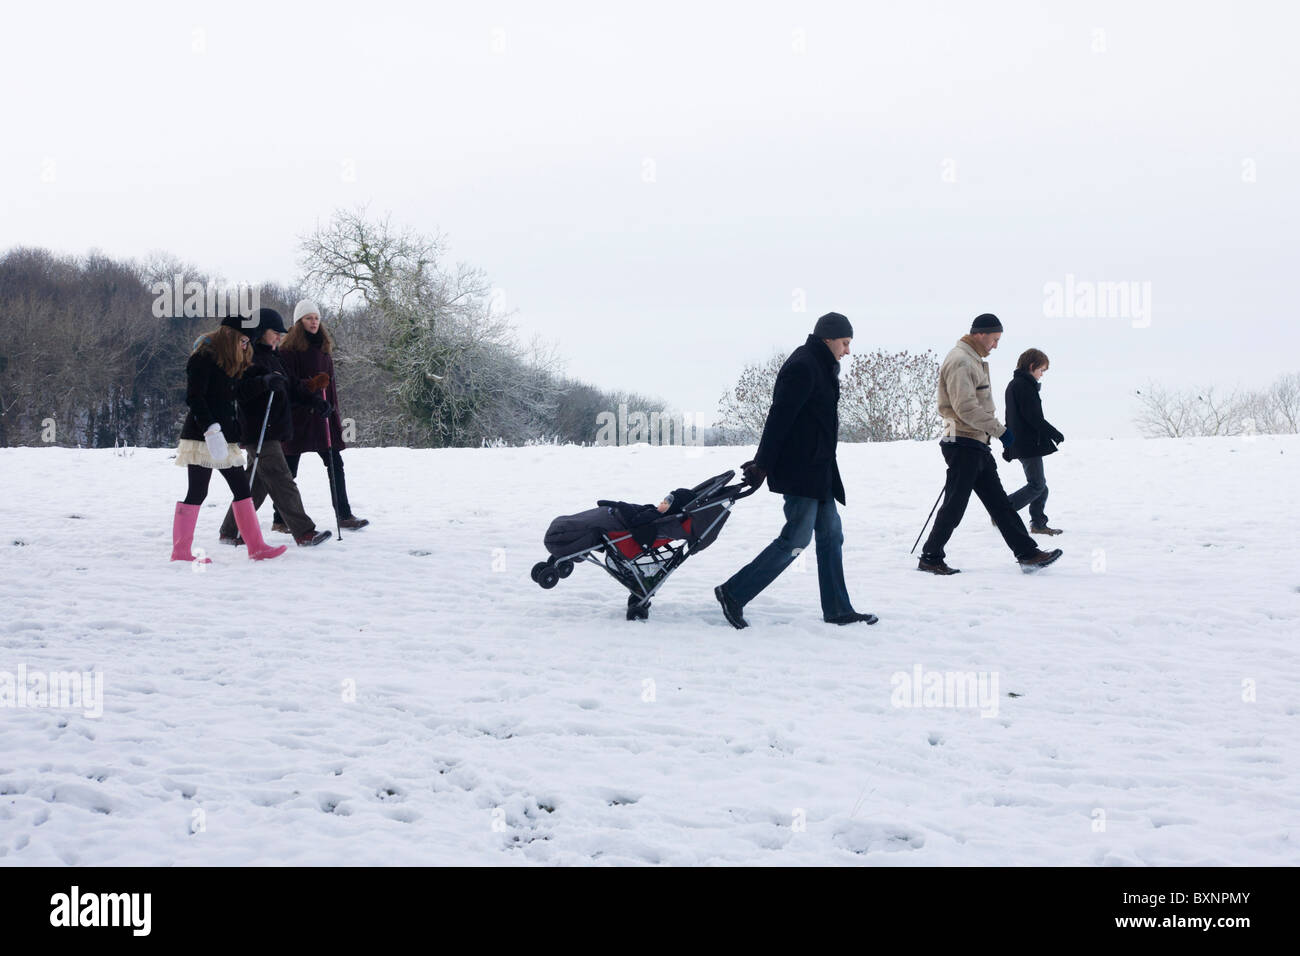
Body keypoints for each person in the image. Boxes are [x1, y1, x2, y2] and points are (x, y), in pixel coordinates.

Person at [714, 312, 878, 629]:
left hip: (820, 470)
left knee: (832, 535)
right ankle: (734, 592)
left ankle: (838, 609)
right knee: (795, 540)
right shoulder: (804, 365)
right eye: (845, 343)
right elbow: (780, 417)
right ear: (828, 338)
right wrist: (762, 463)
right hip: (801, 471)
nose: (847, 350)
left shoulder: (820, 364)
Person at [917, 313, 1062, 575]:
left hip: (973, 442)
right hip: (962, 441)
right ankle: (930, 556)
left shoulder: (972, 360)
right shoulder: (962, 361)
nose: (995, 345)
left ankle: (1027, 553)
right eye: (994, 339)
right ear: (980, 334)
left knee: (1000, 505)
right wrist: (1000, 431)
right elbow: (965, 408)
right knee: (955, 504)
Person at [169, 315, 287, 562]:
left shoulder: (231, 360)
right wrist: (211, 430)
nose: (246, 347)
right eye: (243, 341)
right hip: (203, 436)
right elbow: (195, 398)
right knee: (197, 492)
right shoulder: (204, 357)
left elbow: (238, 392)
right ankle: (180, 551)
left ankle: (256, 547)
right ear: (230, 336)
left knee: (242, 489)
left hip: (227, 435)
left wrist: (265, 382)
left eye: (248, 343)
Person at [216, 308, 334, 548]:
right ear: (261, 332)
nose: (279, 337)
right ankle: (304, 531)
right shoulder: (249, 357)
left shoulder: (275, 357)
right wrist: (263, 383)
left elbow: (292, 389)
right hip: (259, 430)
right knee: (282, 479)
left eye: (281, 333)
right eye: (275, 333)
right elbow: (238, 390)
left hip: (273, 429)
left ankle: (230, 531)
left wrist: (316, 402)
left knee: (257, 485)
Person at [274, 300, 370, 531]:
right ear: (299, 322)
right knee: (289, 471)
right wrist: (313, 385)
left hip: (323, 417)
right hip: (298, 418)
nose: (314, 322)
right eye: (308, 318)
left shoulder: (324, 349)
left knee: (335, 464)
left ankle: (344, 515)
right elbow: (290, 385)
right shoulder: (288, 351)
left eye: (316, 318)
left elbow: (331, 387)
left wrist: (332, 411)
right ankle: (280, 519)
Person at [1003, 348, 1064, 536]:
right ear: (1032, 366)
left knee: (1040, 487)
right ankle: (1002, 511)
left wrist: (1007, 443)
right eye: (1041, 370)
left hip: (1023, 443)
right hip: (1026, 444)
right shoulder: (1022, 386)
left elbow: (1011, 417)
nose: (1042, 375)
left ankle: (1038, 523)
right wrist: (1054, 433)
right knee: (1037, 485)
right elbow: (1032, 417)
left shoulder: (1017, 384)